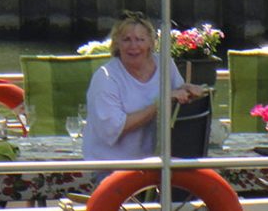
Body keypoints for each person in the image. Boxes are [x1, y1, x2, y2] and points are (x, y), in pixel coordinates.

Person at [82, 12, 205, 162]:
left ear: (150, 42)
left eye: (140, 39)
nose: (134, 46)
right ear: (117, 43)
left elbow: (176, 101)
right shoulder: (105, 78)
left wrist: (189, 91)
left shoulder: (165, 64)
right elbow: (115, 128)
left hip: (155, 163)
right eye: (126, 40)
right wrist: (159, 104)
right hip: (111, 165)